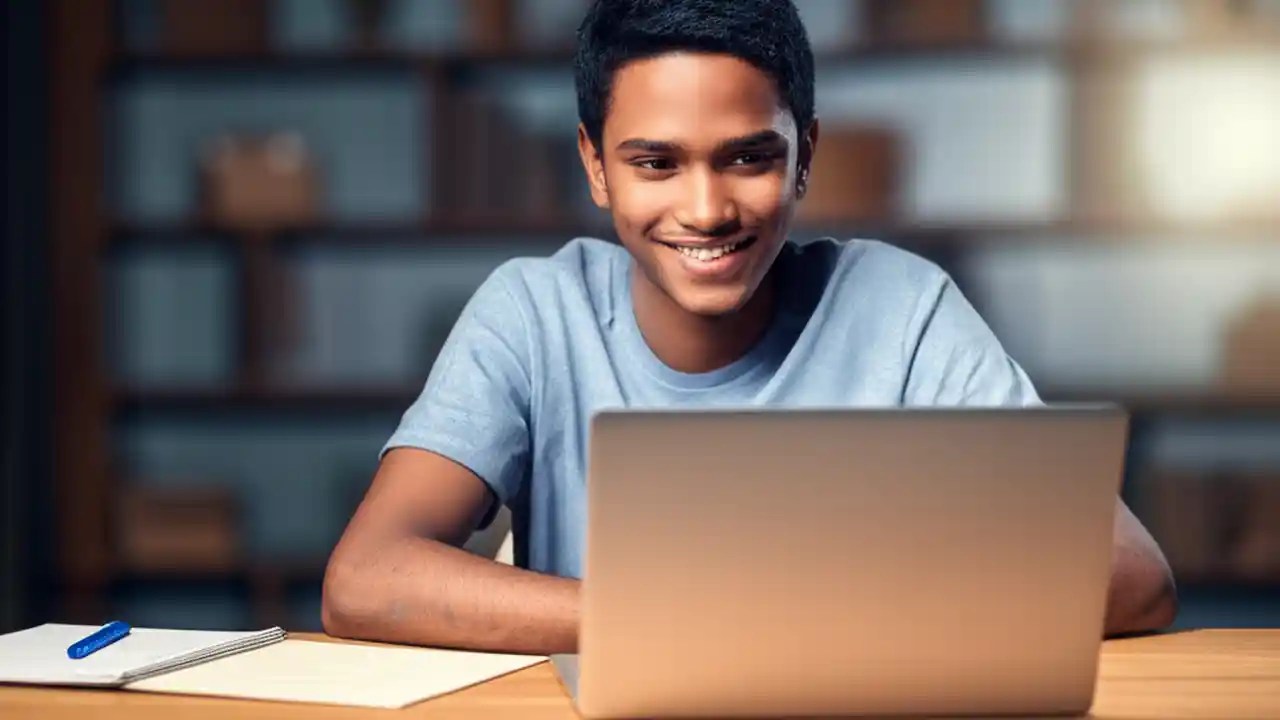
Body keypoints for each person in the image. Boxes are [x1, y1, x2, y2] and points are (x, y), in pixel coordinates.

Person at [322, 0, 1177, 655]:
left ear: (805, 154)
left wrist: (775, 624)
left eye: (748, 157)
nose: (706, 210)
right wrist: (699, 620)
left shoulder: (900, 308)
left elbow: (1131, 578)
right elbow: (366, 578)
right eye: (656, 163)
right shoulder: (535, 313)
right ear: (594, 165)